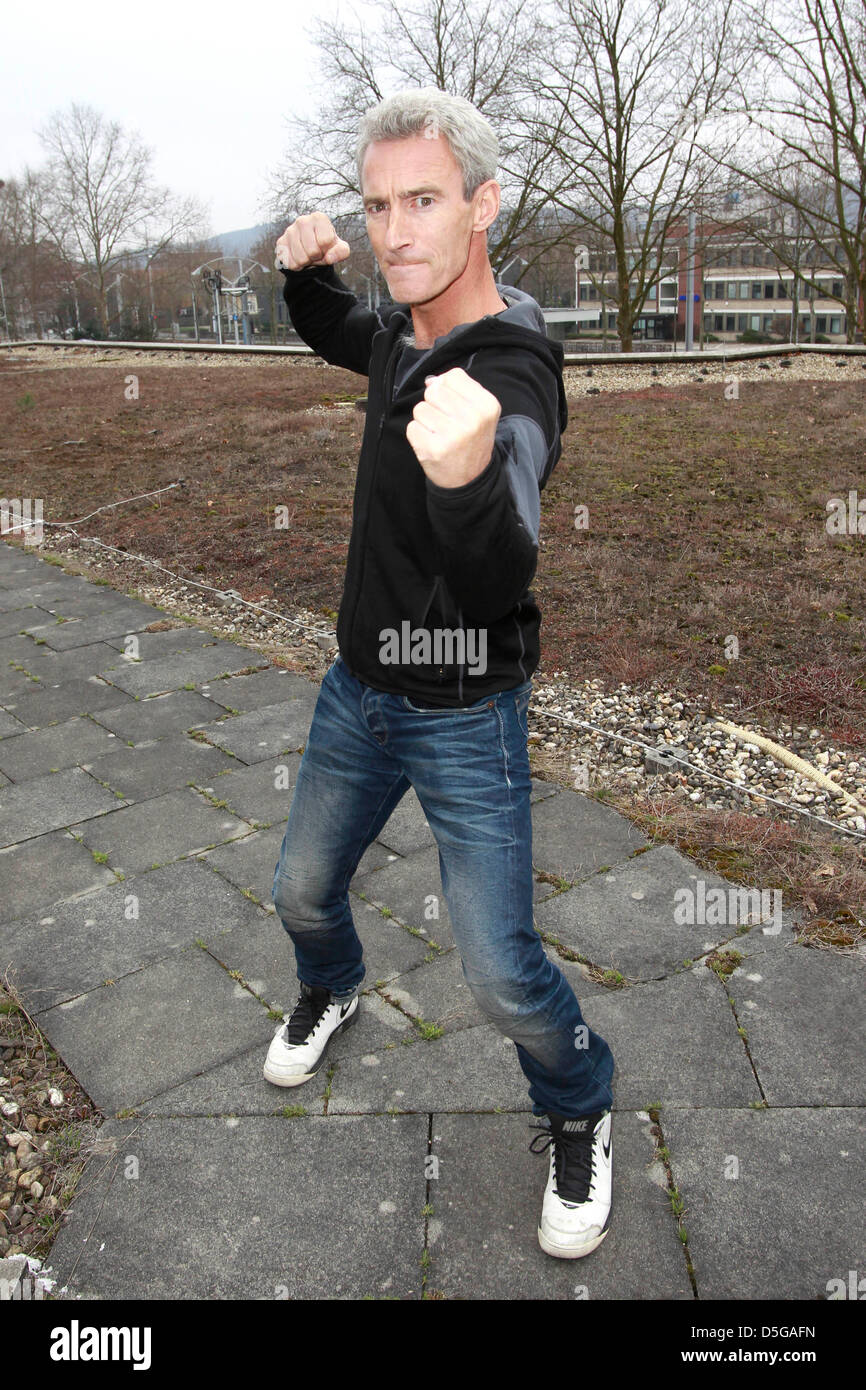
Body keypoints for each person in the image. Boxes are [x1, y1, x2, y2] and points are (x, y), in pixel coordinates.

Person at [266, 87, 615, 1260]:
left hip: (464, 712)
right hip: (355, 693)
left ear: (484, 204)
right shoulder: (398, 332)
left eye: (424, 201)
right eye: (376, 206)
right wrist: (304, 271)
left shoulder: (511, 372)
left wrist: (466, 481)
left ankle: (578, 1107)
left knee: (501, 973)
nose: (397, 230)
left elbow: (500, 561)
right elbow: (339, 331)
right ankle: (335, 982)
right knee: (299, 892)